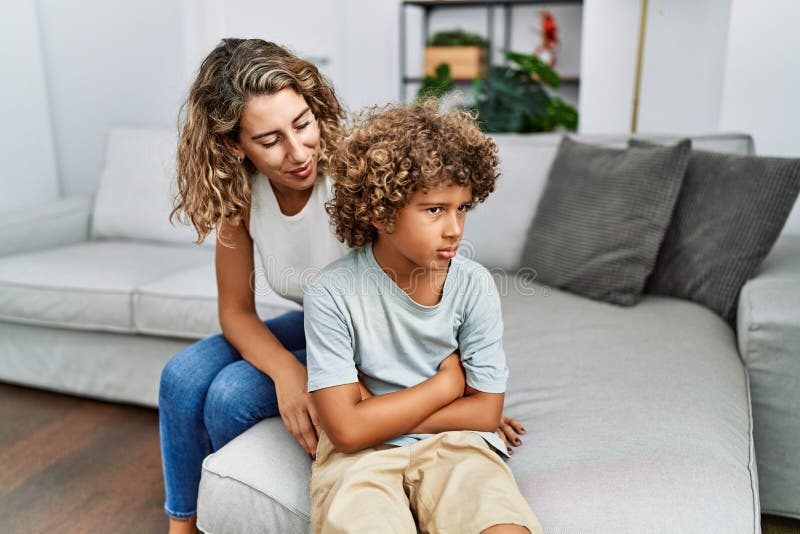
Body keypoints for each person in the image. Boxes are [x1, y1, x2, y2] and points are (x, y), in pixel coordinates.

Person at [159, 39, 526, 533]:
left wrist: (468, 407)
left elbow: (421, 281)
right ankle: (185, 524)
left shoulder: (356, 171)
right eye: (268, 141)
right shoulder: (240, 197)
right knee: (181, 377)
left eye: (302, 123)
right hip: (324, 322)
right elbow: (237, 311)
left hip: (363, 338)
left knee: (230, 396)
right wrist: (288, 374)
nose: (297, 152)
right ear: (234, 146)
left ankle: (248, 508)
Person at [304, 101, 542, 533]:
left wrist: (372, 414)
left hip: (456, 446)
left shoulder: (474, 286)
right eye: (434, 209)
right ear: (380, 212)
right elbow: (346, 434)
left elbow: (486, 413)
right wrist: (446, 387)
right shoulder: (331, 293)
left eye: (463, 208)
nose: (454, 228)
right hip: (360, 459)